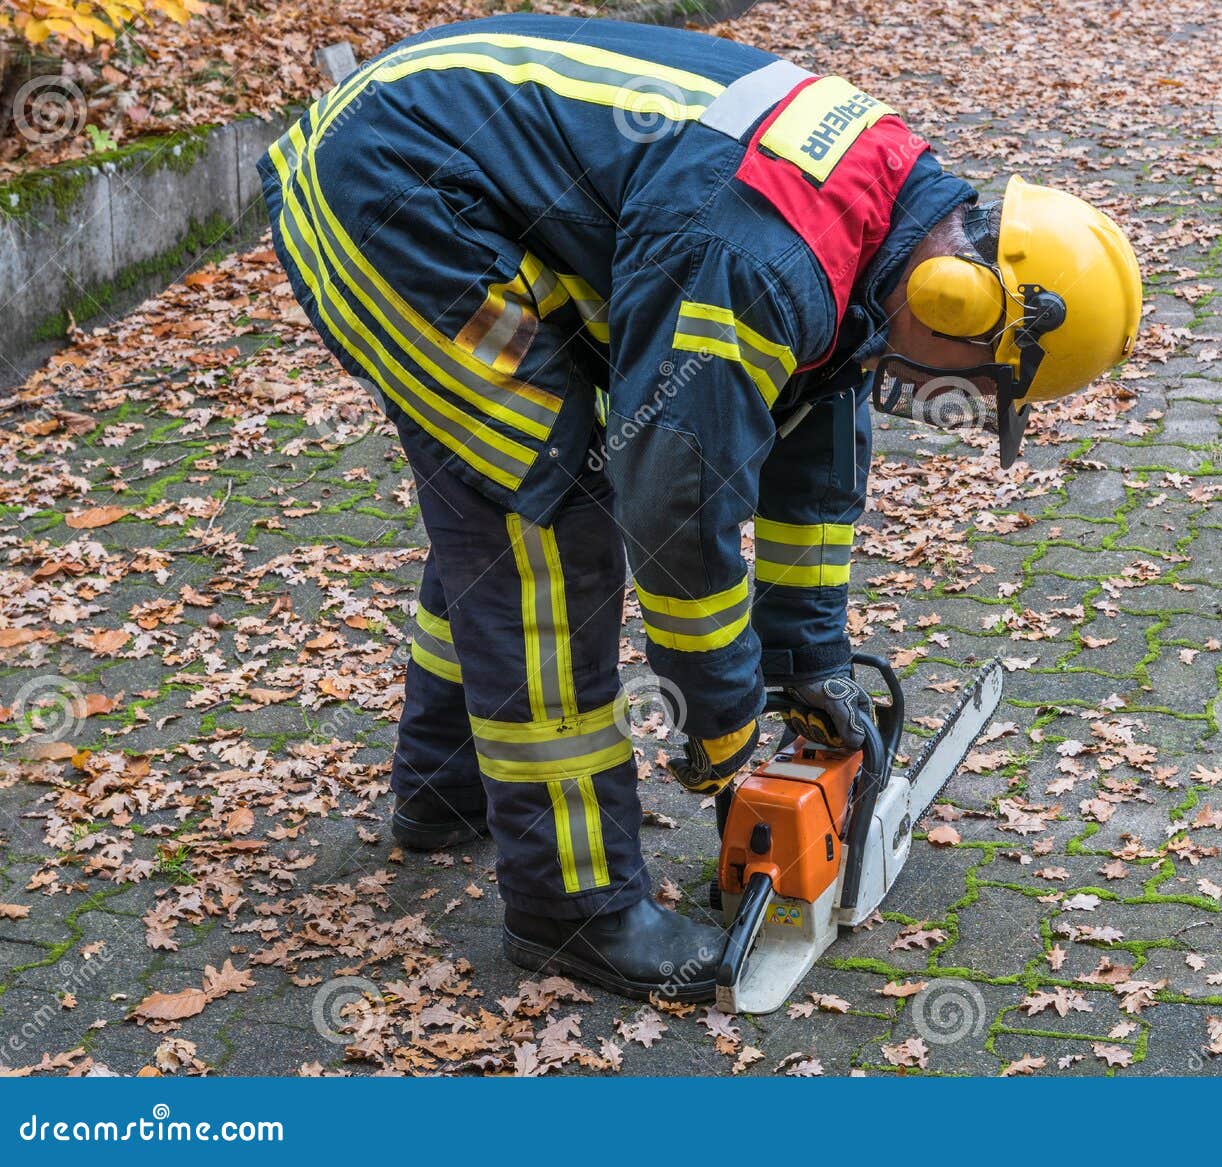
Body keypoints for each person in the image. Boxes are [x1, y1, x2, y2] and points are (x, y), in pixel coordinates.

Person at [259, 13, 1141, 1002]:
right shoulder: (762, 262)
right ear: (955, 304)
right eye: (983, 387)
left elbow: (810, 428)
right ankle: (569, 911)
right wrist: (716, 717)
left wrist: (807, 659)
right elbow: (677, 511)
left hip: (454, 166)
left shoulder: (882, 208)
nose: (962, 404)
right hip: (392, 200)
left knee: (501, 505)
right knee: (547, 522)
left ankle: (443, 789)